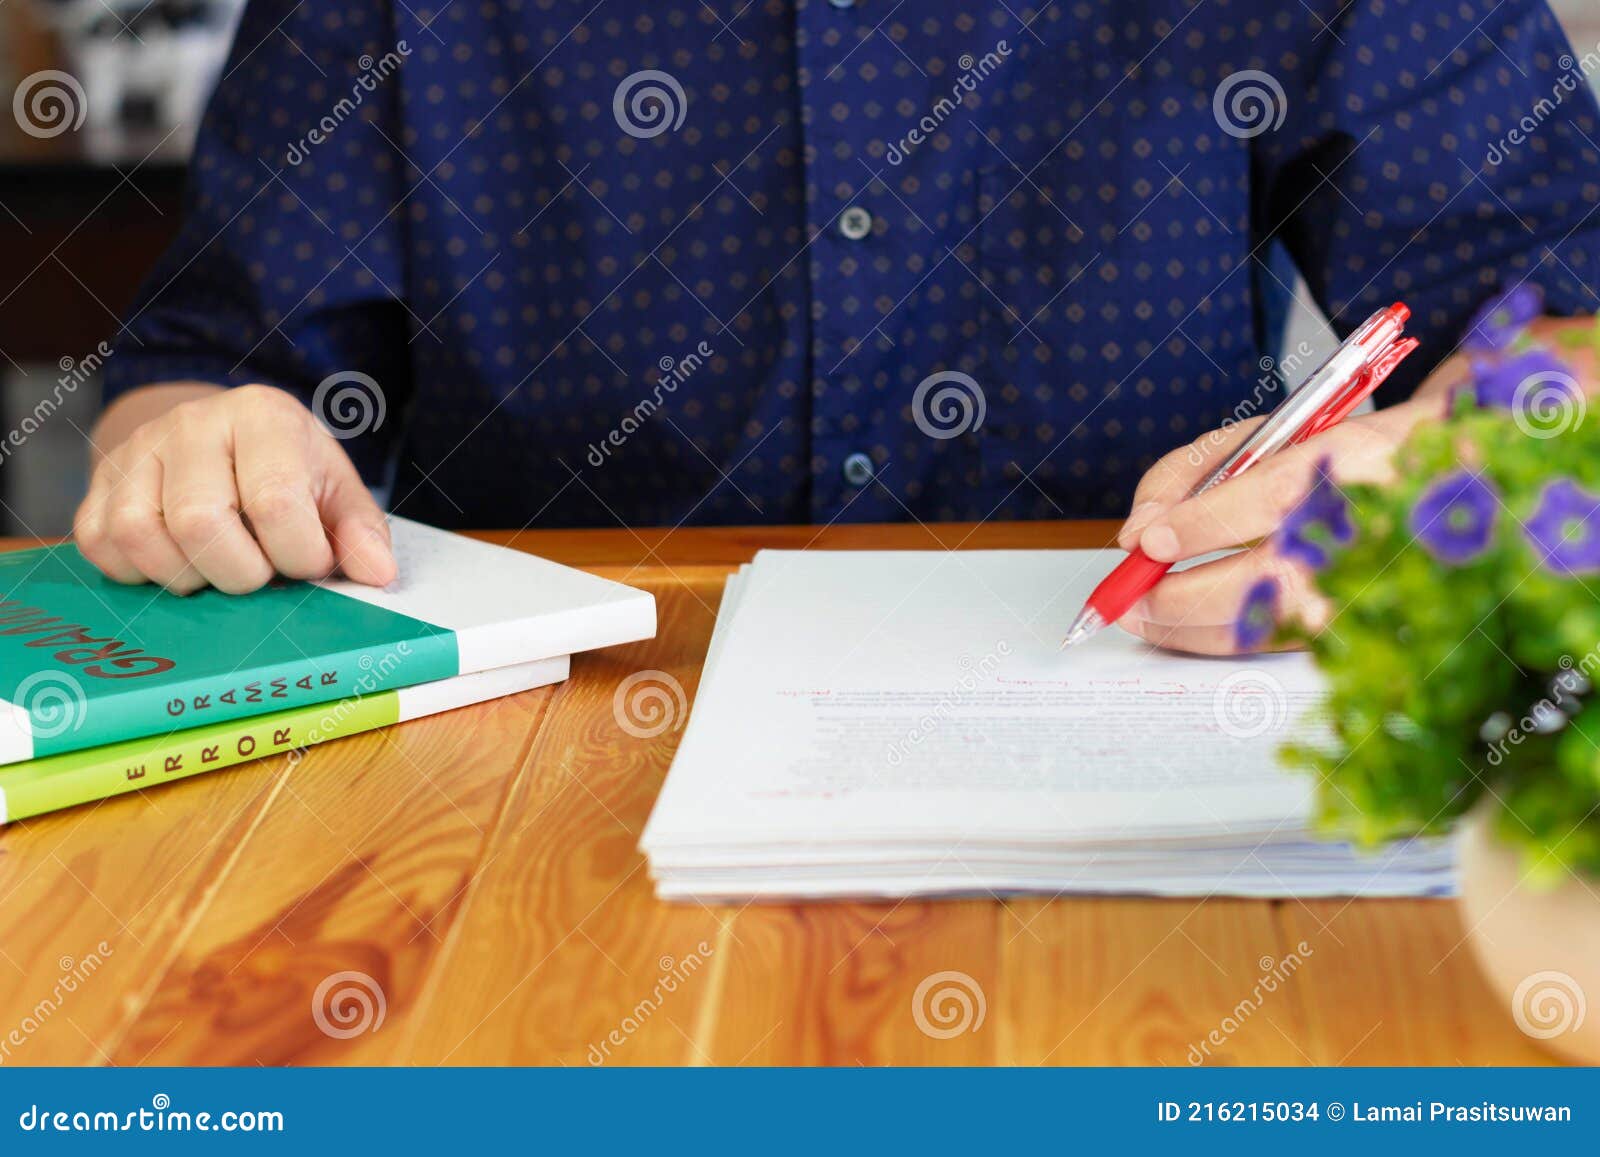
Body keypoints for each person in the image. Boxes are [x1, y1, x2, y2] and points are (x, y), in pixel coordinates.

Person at [75, 0, 1600, 654]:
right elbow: (205, 378)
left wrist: (1453, 471)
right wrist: (199, 449)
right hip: (520, 798)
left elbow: (1575, 329)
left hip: (1146, 718)